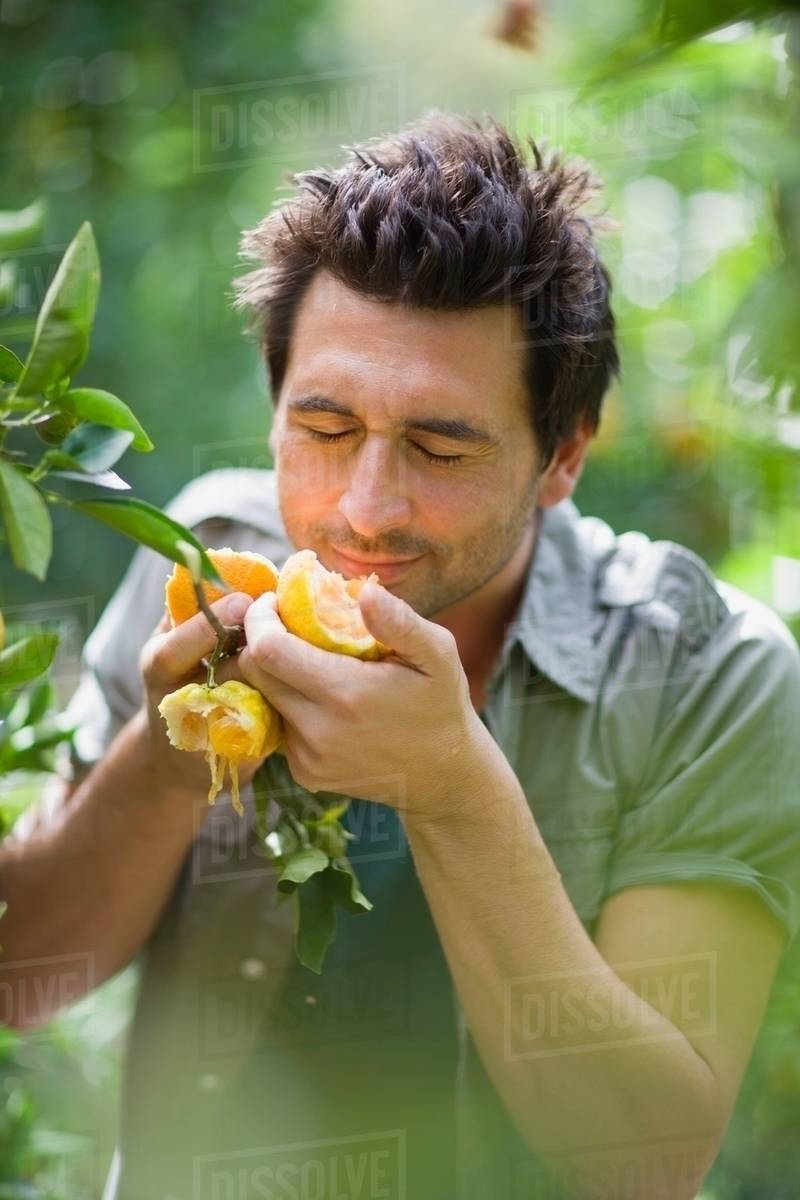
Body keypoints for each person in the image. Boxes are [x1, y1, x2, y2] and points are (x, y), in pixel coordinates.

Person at [2, 112, 799, 1200]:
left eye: (439, 447)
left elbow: (648, 1159)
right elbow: (20, 975)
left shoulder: (711, 671)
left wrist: (451, 787)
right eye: (325, 430)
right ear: (273, 411)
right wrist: (167, 757)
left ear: (560, 456)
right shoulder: (206, 561)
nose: (365, 512)